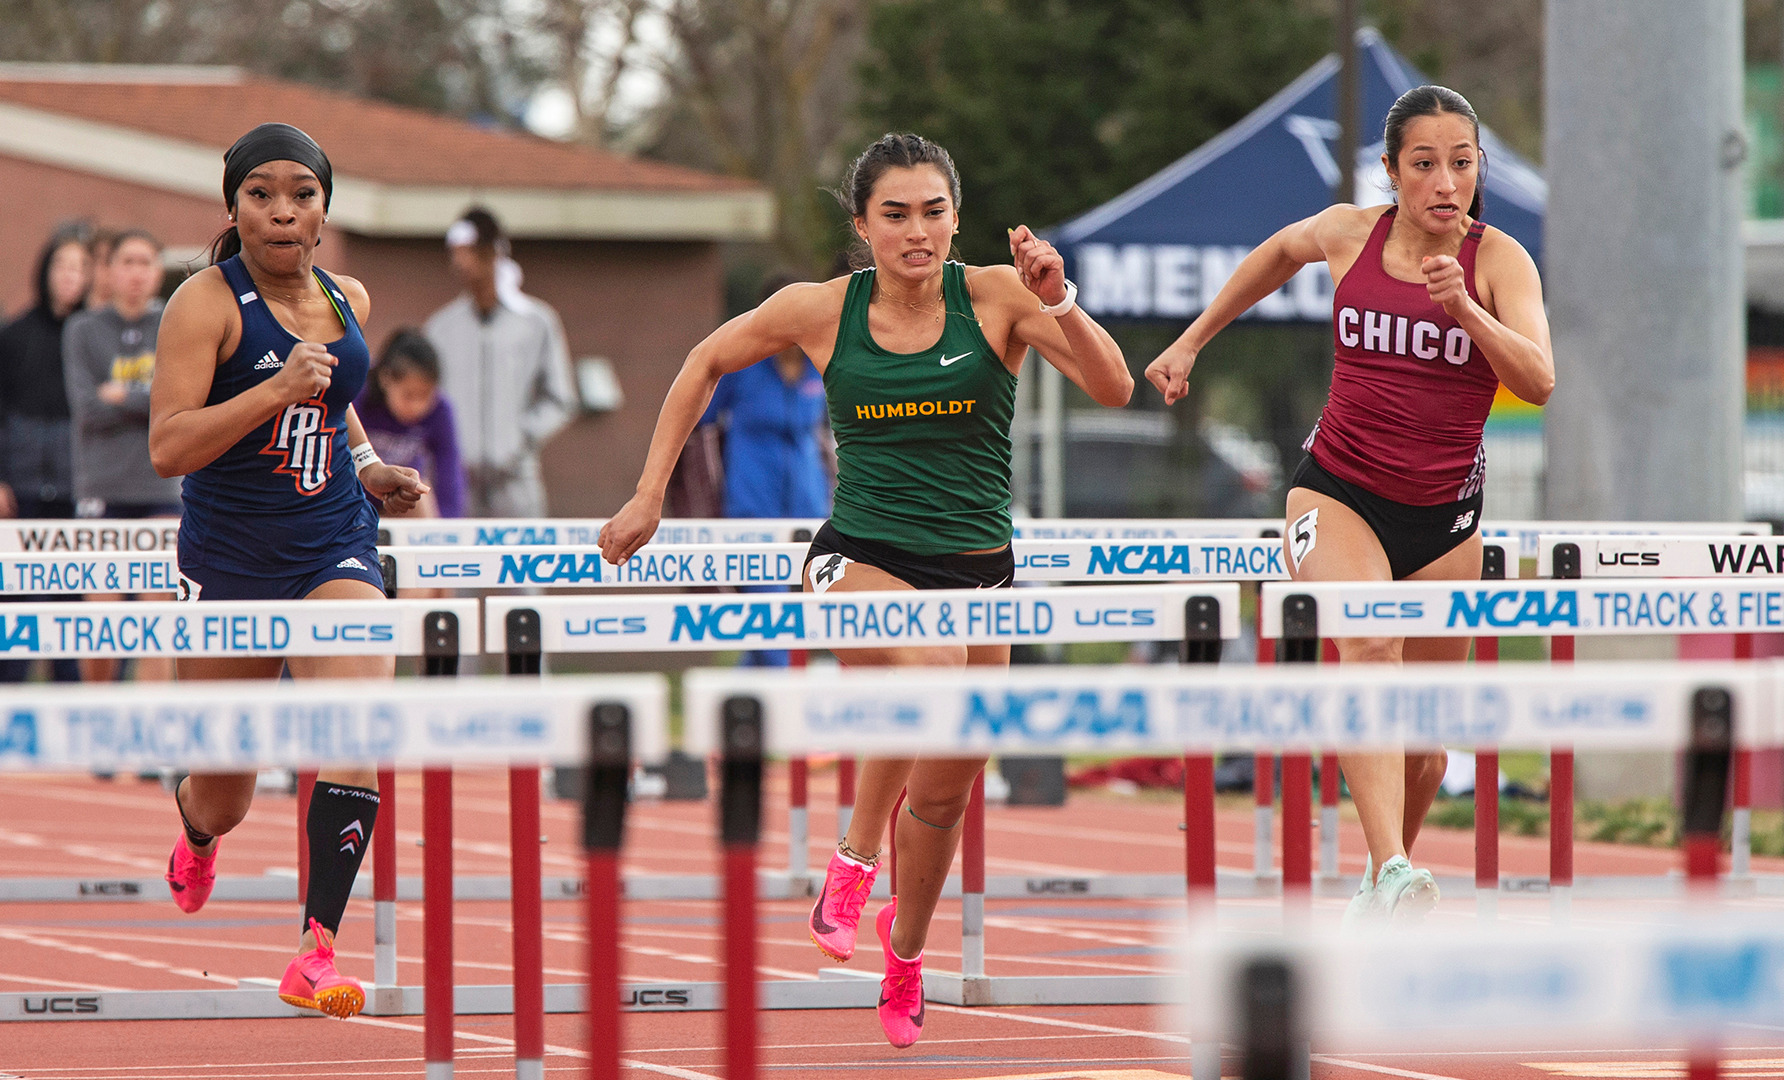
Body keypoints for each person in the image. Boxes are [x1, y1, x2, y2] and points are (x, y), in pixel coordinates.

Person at [599, 133, 1132, 1048]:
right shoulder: (819, 310)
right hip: (858, 555)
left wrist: (1065, 303)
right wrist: (650, 492)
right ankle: (851, 859)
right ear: (863, 226)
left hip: (979, 573)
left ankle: (908, 953)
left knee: (953, 782)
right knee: (929, 671)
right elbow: (702, 364)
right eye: (895, 215)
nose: (915, 232)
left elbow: (1115, 389)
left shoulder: (999, 299)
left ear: (956, 219)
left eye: (932, 212)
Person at [1144, 85, 1554, 924]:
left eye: (1463, 164)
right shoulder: (1348, 233)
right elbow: (1276, 254)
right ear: (1391, 172)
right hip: (1339, 491)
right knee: (1370, 650)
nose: (1446, 183)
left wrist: (1466, 312)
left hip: (1444, 518)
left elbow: (1539, 381)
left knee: (1429, 752)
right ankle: (1397, 867)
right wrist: (1191, 339)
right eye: (1426, 164)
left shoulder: (1501, 260)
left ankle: (1377, 888)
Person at [148, 122, 428, 1019]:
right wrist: (269, 389)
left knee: (355, 720)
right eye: (261, 193)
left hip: (333, 544)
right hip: (231, 560)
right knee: (228, 791)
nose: (282, 211)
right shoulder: (205, 304)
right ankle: (195, 828)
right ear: (234, 206)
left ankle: (316, 949)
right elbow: (166, 447)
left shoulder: (348, 297)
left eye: (301, 194)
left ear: (324, 207)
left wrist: (369, 462)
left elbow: (336, 407)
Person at [64, 228, 183, 684]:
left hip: (161, 488)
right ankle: (101, 737)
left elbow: (178, 403)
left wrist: (122, 395)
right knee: (101, 627)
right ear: (108, 270)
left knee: (157, 623)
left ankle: (149, 745)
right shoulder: (83, 330)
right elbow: (88, 408)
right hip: (102, 487)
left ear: (158, 272)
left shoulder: (173, 324)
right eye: (127, 262)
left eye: (145, 263)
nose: (136, 273)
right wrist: (147, 398)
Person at [698, 270, 833, 665]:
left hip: (811, 508)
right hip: (752, 508)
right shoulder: (740, 365)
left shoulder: (822, 364)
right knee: (771, 615)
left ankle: (744, 711)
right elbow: (699, 424)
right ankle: (784, 713)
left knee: (789, 625)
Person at [0, 227, 91, 687]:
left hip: (76, 492)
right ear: (45, 271)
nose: (71, 277)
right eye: (63, 266)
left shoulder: (92, 337)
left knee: (70, 605)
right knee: (10, 600)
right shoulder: (12, 336)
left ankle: (72, 713)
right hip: (18, 491)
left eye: (81, 268)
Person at [424, 207, 576, 516]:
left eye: (466, 252)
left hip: (516, 479)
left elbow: (560, 398)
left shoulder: (537, 322)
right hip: (458, 481)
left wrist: (521, 437)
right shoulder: (441, 328)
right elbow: (429, 400)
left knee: (525, 559)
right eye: (455, 253)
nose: (458, 262)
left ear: (491, 253)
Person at [355, 328, 465, 518]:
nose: (417, 406)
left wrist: (448, 529)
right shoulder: (358, 398)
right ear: (385, 378)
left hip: (399, 503)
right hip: (355, 496)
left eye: (425, 396)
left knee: (421, 496)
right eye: (409, 395)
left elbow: (450, 475)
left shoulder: (440, 410)